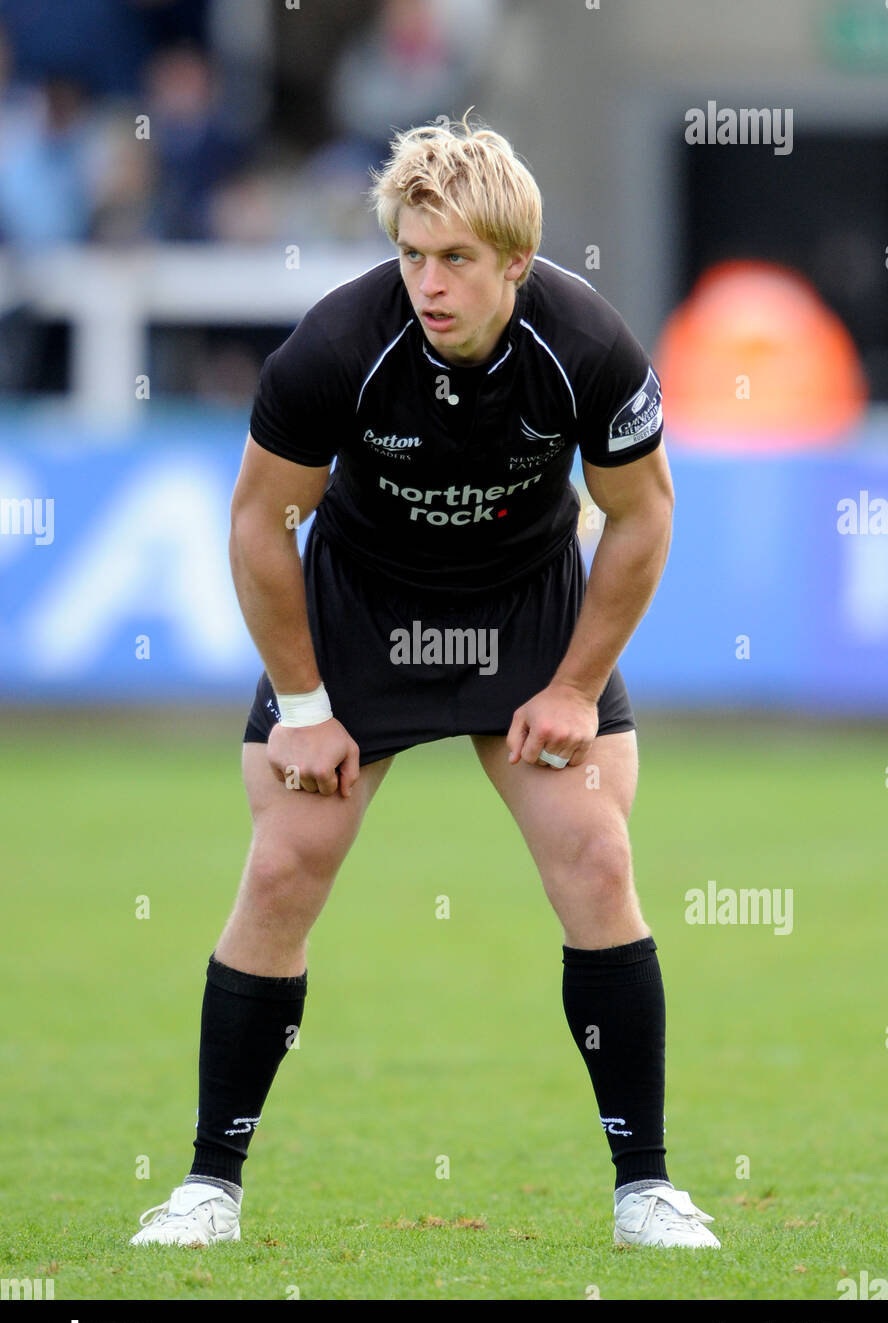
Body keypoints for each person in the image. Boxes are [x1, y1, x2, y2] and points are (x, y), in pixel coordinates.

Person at [131, 116, 720, 1251]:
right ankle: (208, 1187)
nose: (428, 284)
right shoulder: (337, 345)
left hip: (527, 606)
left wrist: (575, 684)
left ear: (515, 260)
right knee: (285, 867)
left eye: (455, 259)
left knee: (598, 856)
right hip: (363, 605)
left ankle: (645, 1189)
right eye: (411, 254)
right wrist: (303, 706)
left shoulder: (588, 345)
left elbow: (644, 520)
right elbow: (262, 521)